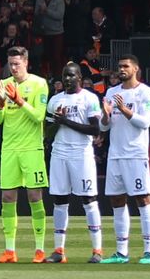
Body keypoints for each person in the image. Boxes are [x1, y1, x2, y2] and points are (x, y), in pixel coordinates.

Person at [0, 46, 51, 262]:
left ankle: (39, 249)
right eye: (10, 64)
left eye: (17, 63)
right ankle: (10, 250)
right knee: (7, 197)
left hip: (31, 149)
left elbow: (39, 116)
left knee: (35, 196)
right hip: (9, 149)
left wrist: (19, 101)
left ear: (26, 62)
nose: (13, 68)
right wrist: (0, 104)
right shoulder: (5, 85)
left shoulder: (39, 84)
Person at [43, 61, 105, 262]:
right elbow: (49, 132)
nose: (67, 79)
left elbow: (95, 130)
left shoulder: (89, 98)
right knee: (60, 200)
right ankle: (59, 251)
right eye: (64, 76)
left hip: (81, 154)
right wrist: (57, 121)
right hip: (59, 153)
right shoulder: (55, 100)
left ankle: (97, 250)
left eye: (71, 75)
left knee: (88, 199)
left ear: (79, 77)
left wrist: (65, 121)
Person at [101, 54, 150, 264]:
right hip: (115, 154)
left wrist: (124, 109)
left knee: (142, 199)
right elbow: (103, 127)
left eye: (125, 66)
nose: (121, 69)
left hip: (135, 154)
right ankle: (121, 251)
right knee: (116, 200)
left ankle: (148, 251)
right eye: (119, 67)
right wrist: (106, 115)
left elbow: (145, 122)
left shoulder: (145, 92)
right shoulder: (111, 92)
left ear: (135, 68)